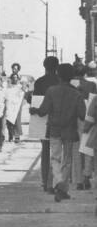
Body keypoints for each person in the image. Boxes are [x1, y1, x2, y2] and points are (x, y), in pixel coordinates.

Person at [30, 63, 87, 202]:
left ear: (59, 75)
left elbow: (43, 111)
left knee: (55, 158)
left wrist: (34, 110)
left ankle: (58, 182)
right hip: (70, 131)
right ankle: (63, 189)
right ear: (72, 76)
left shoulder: (51, 91)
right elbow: (82, 115)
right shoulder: (76, 93)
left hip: (54, 130)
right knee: (67, 160)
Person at [30, 56, 61, 194]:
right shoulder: (61, 81)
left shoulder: (39, 82)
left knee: (45, 151)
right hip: (60, 121)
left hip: (43, 122)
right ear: (57, 66)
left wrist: (34, 109)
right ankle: (56, 181)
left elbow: (36, 102)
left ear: (44, 66)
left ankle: (45, 181)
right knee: (59, 153)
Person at [73, 64, 96, 189]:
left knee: (76, 150)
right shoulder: (92, 85)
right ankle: (87, 175)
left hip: (74, 119)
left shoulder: (70, 85)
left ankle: (78, 180)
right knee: (87, 148)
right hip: (88, 117)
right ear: (86, 73)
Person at [2, 73, 26, 145]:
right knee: (9, 121)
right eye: (13, 77)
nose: (14, 79)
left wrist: (23, 84)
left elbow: (24, 91)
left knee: (17, 121)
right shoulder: (8, 86)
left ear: (18, 79)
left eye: (16, 77)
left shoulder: (20, 86)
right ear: (11, 78)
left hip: (17, 106)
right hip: (10, 105)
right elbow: (5, 94)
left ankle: (17, 136)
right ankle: (10, 135)